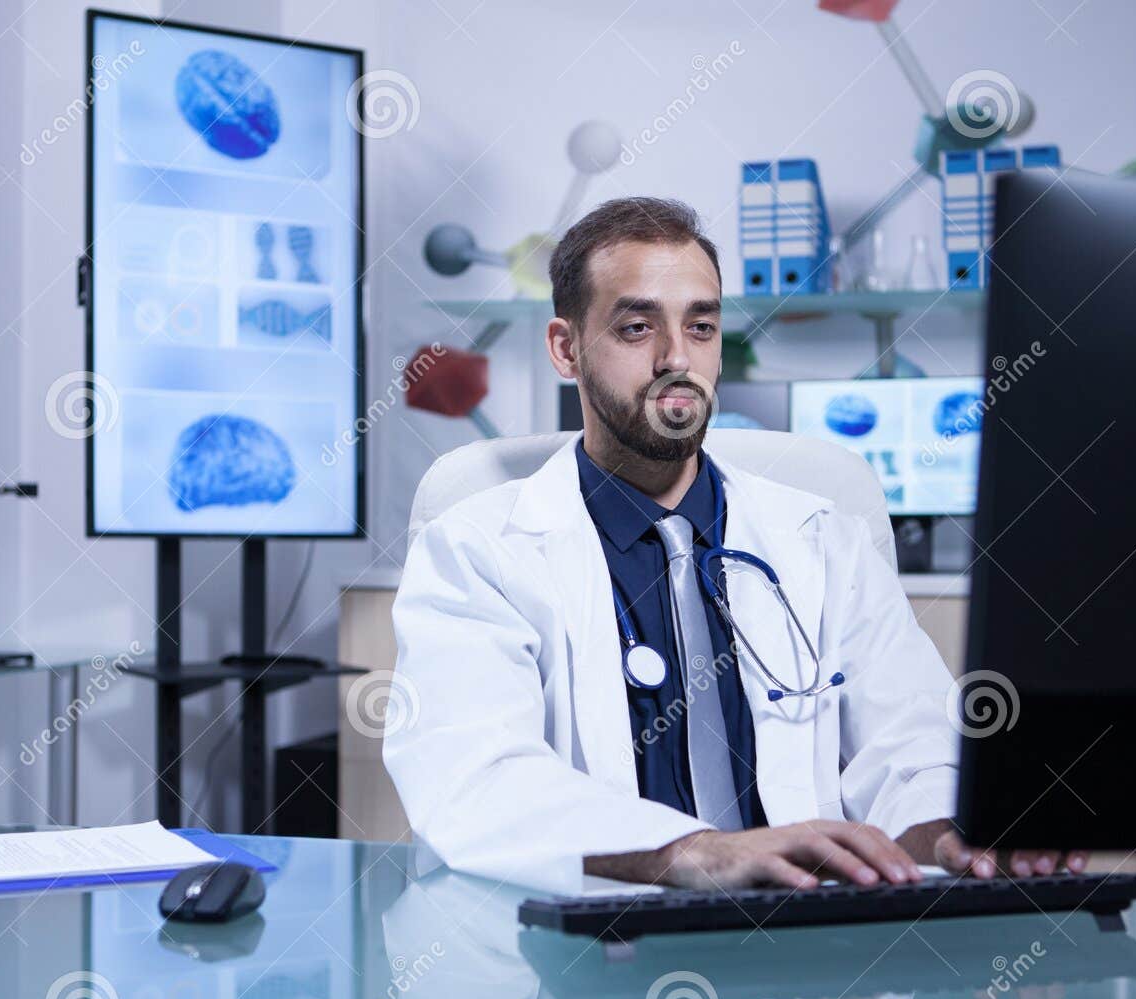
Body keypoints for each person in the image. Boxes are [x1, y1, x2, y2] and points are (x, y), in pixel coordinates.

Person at [385, 196, 1082, 894]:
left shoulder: (823, 539)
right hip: (591, 940)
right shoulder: (476, 552)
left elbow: (911, 742)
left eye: (701, 326)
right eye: (636, 327)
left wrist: (951, 832)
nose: (676, 358)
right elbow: (474, 778)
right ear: (567, 348)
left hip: (803, 932)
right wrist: (695, 852)